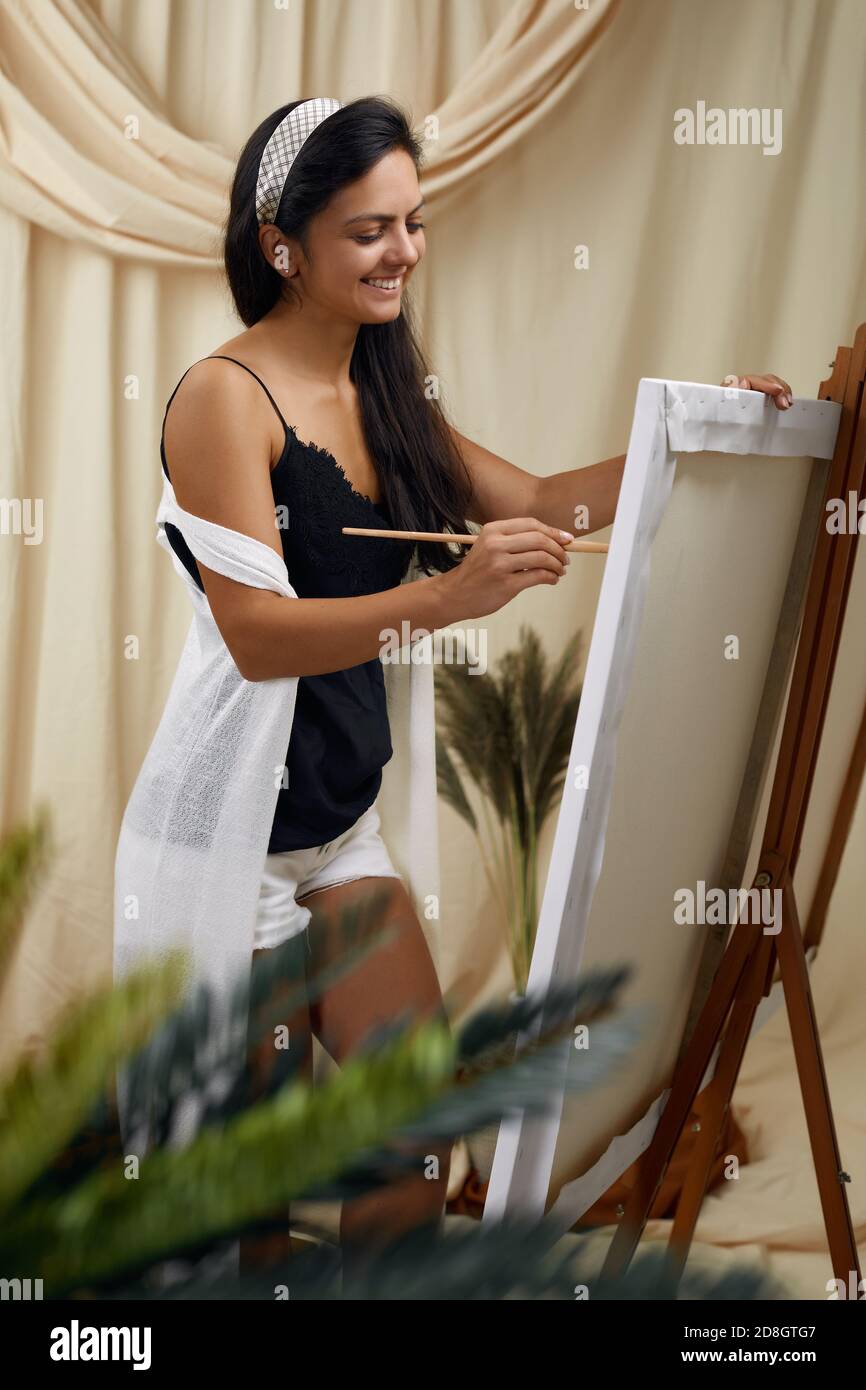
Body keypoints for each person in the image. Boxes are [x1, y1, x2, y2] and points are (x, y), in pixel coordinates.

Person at [142, 92, 794, 1278]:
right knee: (249, 1211)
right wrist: (446, 598)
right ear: (281, 247)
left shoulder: (387, 395)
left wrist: (700, 430)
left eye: (411, 222)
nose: (402, 251)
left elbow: (541, 503)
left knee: (412, 1136)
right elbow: (256, 635)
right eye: (367, 230)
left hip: (333, 827)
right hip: (224, 837)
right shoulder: (221, 398)